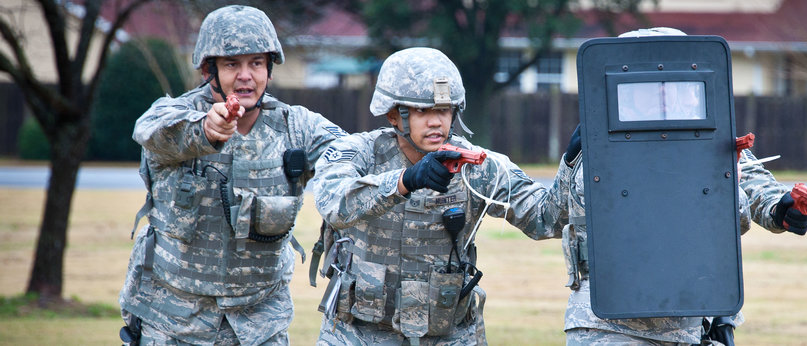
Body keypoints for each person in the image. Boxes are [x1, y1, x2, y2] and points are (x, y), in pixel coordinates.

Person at [558, 27, 807, 346]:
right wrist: (570, 165)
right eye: (649, 87)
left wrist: (782, 208)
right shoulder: (593, 144)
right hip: (607, 327)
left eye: (673, 86)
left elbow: (754, 185)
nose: (664, 95)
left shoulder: (709, 138)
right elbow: (552, 219)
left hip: (695, 318)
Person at [308, 47, 576, 345]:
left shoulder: (476, 166)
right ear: (393, 114)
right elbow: (334, 203)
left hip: (449, 334)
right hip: (357, 333)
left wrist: (573, 162)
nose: (436, 122)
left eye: (444, 110)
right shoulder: (358, 153)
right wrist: (404, 181)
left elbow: (547, 219)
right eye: (422, 110)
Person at [117, 5, 347, 345]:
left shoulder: (297, 129)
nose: (245, 75)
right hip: (174, 325)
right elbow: (152, 130)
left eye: (256, 63)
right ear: (209, 70)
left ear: (269, 69)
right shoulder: (175, 115)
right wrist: (207, 129)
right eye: (231, 64)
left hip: (260, 327)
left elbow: (349, 155)